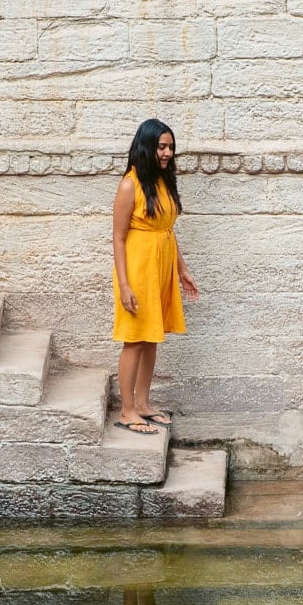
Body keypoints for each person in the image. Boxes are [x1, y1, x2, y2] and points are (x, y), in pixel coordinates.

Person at [112, 119, 201, 435]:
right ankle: (127, 411)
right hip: (138, 270)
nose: (167, 153)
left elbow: (167, 230)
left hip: (160, 268)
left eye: (171, 147)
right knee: (135, 339)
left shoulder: (162, 182)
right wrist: (124, 285)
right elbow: (118, 237)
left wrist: (182, 269)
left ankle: (143, 403)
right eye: (161, 147)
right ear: (146, 146)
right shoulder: (130, 185)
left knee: (151, 338)